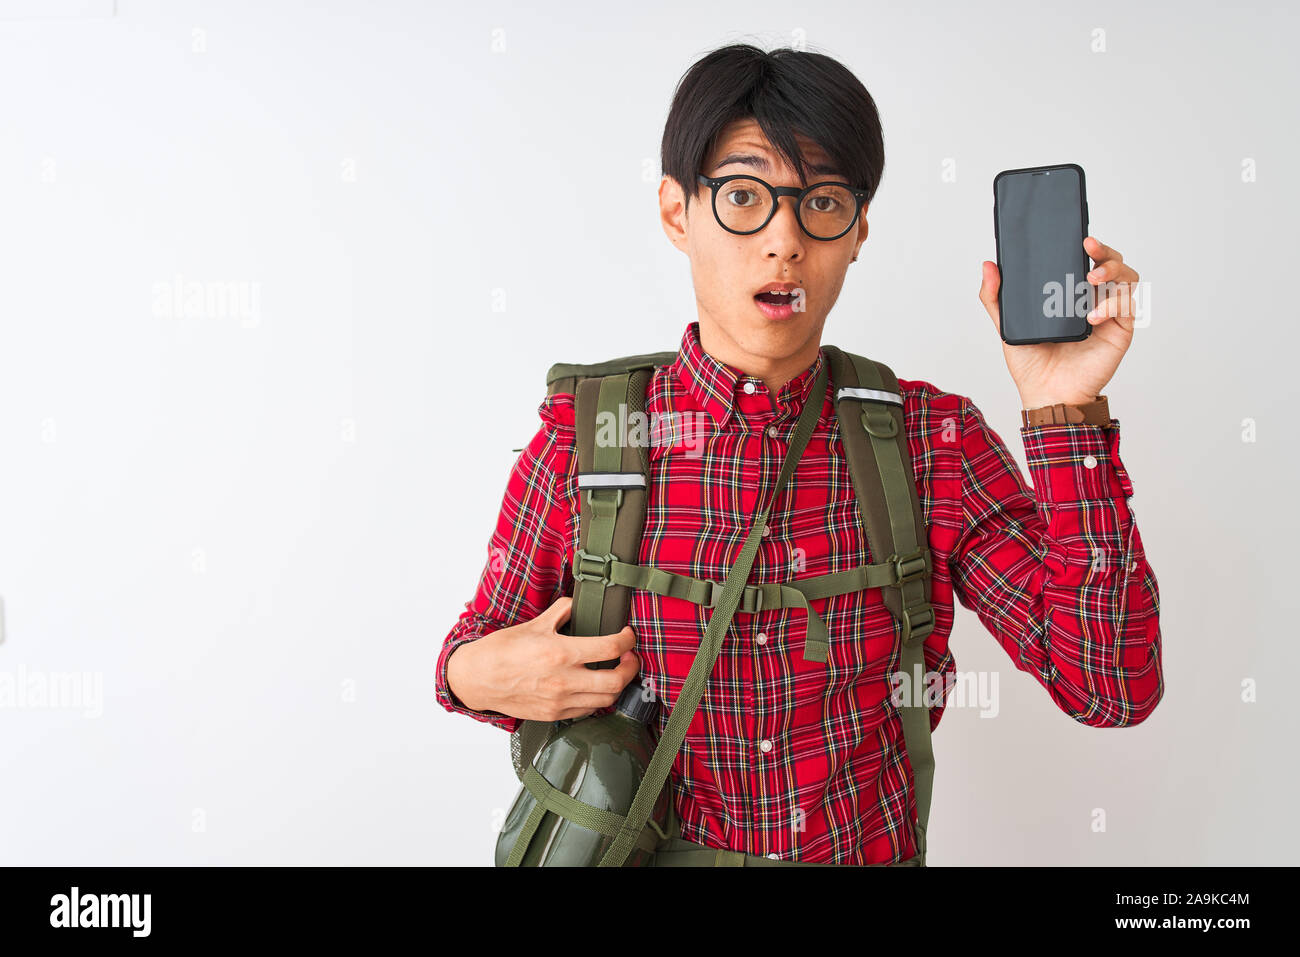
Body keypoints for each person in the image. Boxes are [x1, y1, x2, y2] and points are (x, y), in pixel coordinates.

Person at [436, 42, 1162, 865]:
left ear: (856, 233)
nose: (784, 240)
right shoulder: (591, 430)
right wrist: (474, 675)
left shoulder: (933, 439)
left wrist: (1062, 406)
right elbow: (474, 649)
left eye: (820, 202)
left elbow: (1111, 684)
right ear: (677, 212)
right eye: (744, 195)